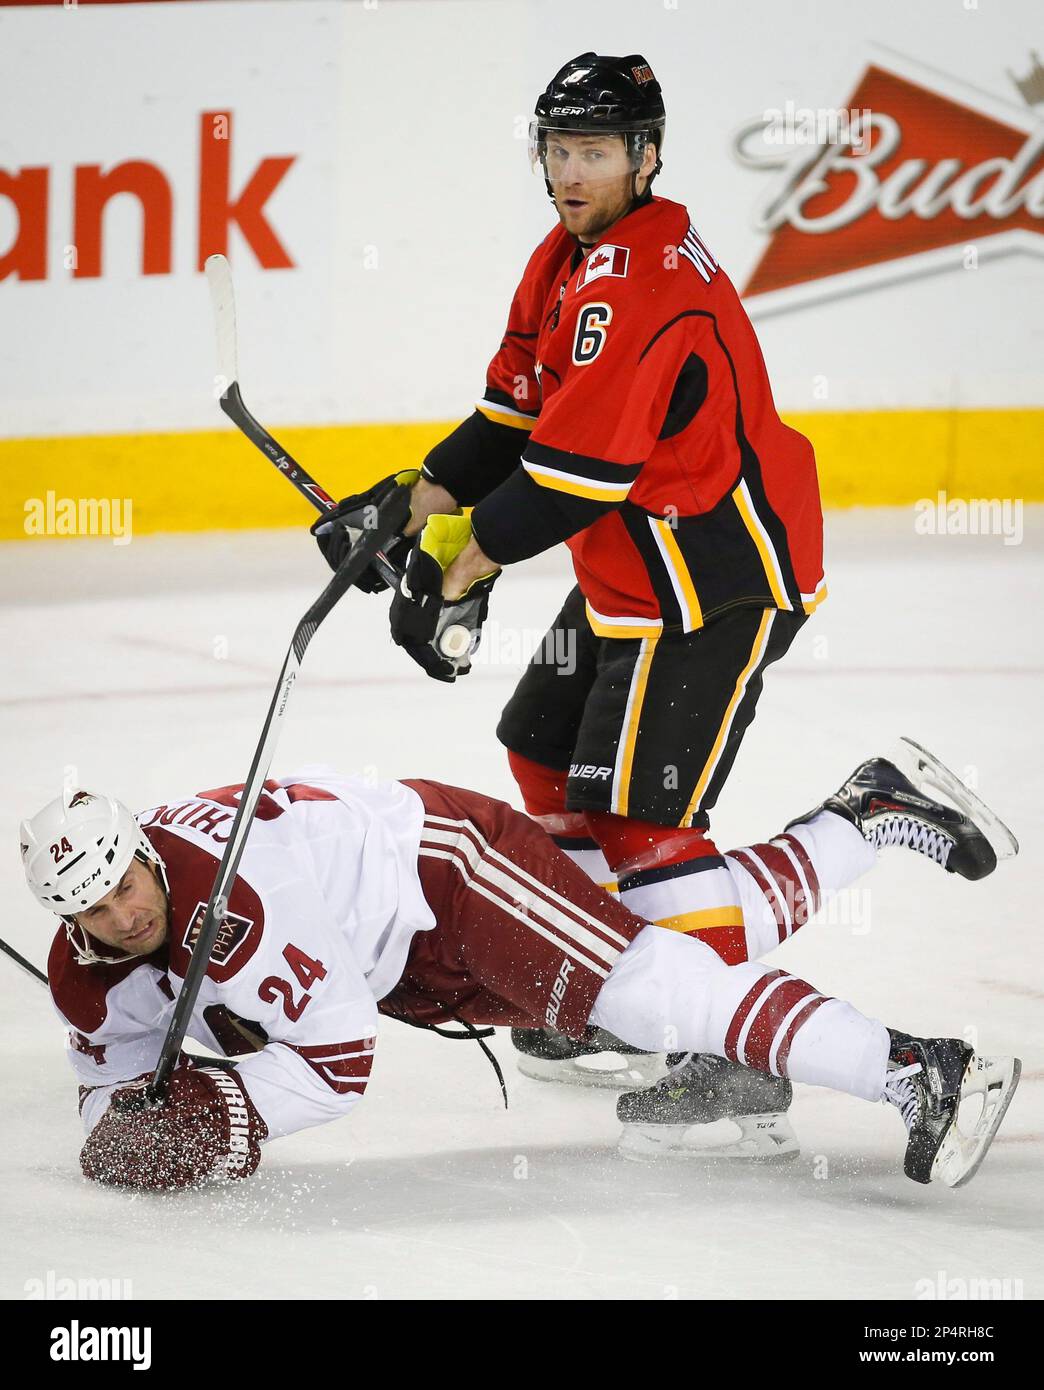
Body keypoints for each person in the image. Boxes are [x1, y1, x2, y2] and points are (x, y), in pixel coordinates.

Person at [19, 748, 1019, 1190]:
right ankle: (864, 812)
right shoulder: (92, 965)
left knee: (656, 989)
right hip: (398, 950)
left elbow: (336, 1063)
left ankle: (915, 1069)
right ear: (69, 922)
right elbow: (104, 1091)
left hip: (445, 870)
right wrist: (120, 1127)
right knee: (674, 936)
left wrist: (222, 1112)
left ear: (144, 849)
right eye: (97, 910)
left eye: (127, 884)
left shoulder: (233, 902)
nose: (126, 912)